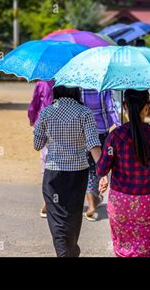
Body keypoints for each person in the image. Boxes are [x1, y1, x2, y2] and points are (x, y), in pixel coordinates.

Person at [96, 89, 150, 257]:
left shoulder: (115, 136)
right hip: (147, 199)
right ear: (147, 108)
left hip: (120, 200)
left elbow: (101, 169)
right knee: (145, 248)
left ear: (125, 107)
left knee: (123, 248)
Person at [34, 86, 102, 257]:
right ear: (76, 91)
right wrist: (103, 172)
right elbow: (93, 144)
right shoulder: (85, 113)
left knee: (57, 219)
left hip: (53, 174)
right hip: (78, 174)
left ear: (56, 91)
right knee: (73, 216)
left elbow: (37, 145)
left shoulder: (46, 113)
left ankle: (66, 253)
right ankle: (71, 251)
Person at [81, 89, 120, 221]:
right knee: (97, 167)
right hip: (102, 132)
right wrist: (120, 126)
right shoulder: (104, 87)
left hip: (82, 131)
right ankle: (92, 204)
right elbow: (111, 108)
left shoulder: (79, 86)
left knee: (87, 168)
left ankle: (93, 200)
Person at [28, 80, 54, 218]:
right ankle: (55, 199)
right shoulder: (64, 81)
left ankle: (47, 200)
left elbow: (34, 103)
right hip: (60, 125)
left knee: (45, 163)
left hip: (42, 125)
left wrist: (32, 119)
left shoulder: (41, 83)